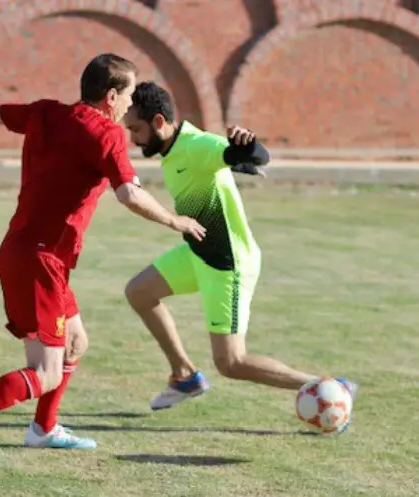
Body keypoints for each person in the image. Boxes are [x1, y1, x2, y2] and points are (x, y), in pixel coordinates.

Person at [0, 55, 206, 479]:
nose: (131, 105)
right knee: (45, 372)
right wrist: (175, 220)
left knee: (74, 343)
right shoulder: (107, 134)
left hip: (30, 253)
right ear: (111, 96)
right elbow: (129, 195)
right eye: (127, 96)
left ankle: (43, 428)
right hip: (40, 261)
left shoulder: (47, 112)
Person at [122, 81, 358, 419]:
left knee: (231, 363)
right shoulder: (173, 151)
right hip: (198, 253)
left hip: (226, 263)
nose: (133, 138)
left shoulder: (198, 144)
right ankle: (185, 376)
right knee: (139, 292)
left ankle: (329, 386)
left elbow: (254, 155)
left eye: (136, 129)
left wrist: (247, 147)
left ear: (159, 121)